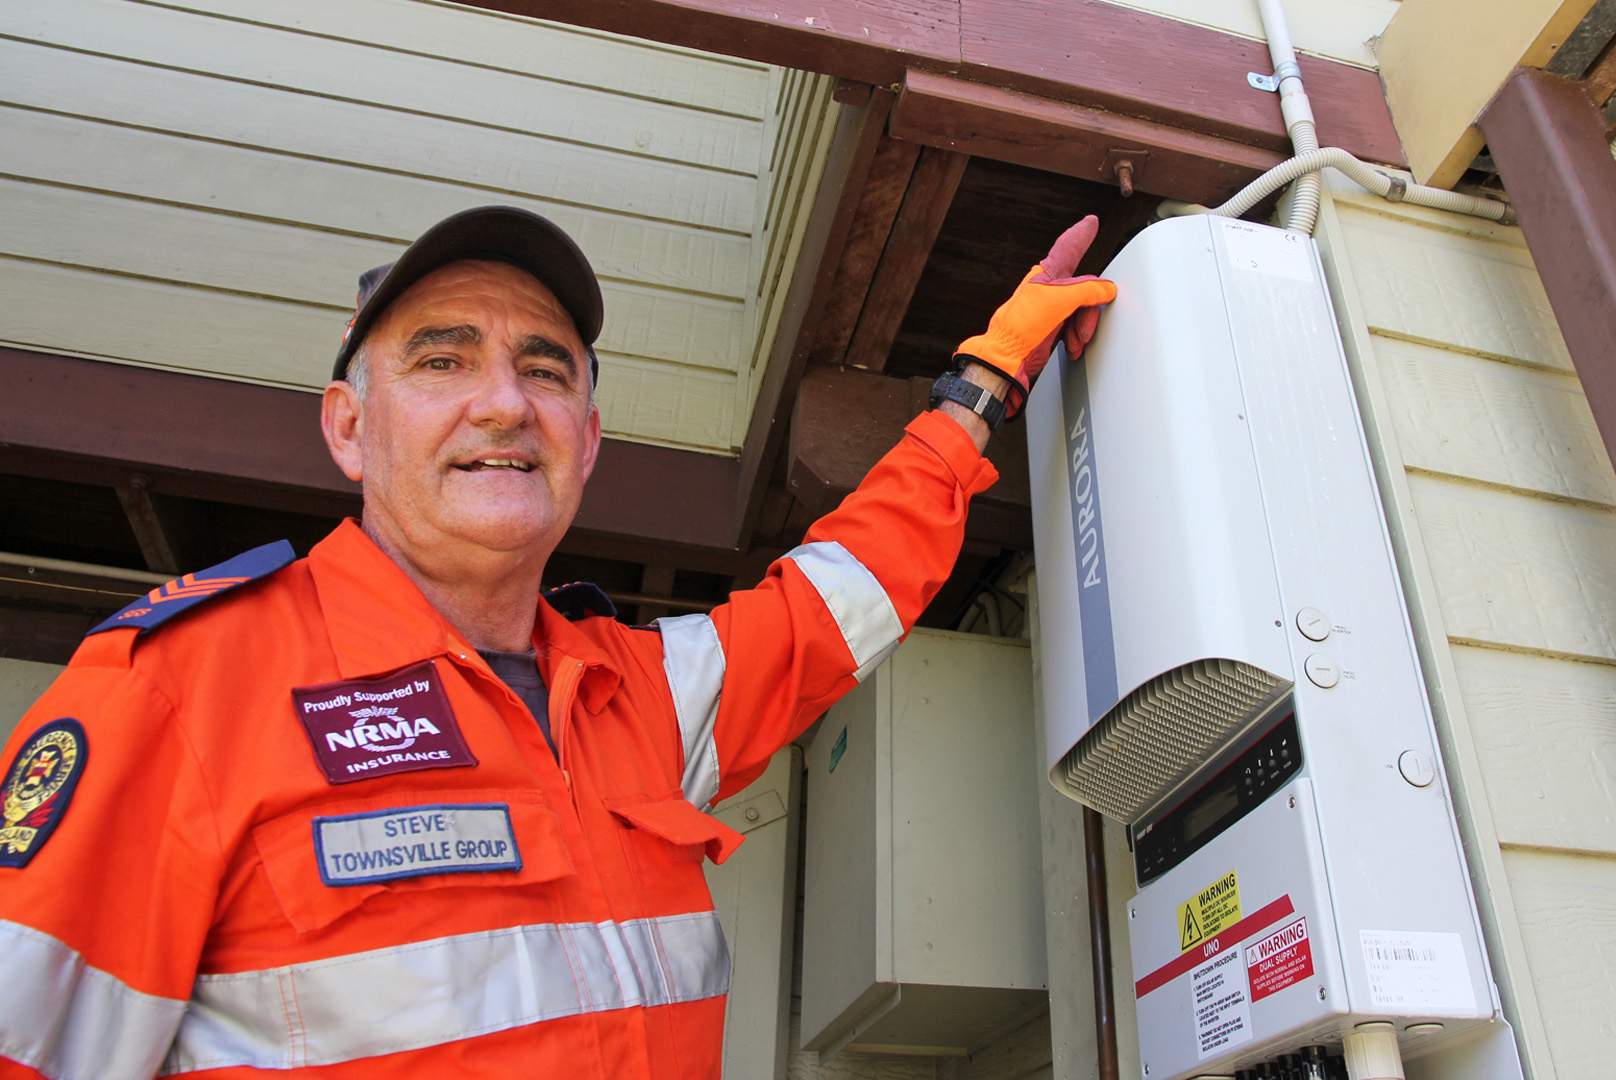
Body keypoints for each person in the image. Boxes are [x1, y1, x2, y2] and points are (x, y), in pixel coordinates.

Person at [0, 205, 1115, 1078]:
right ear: (348, 426)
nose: (502, 404)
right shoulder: (175, 695)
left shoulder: (637, 690)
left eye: (544, 368)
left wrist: (981, 384)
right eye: (440, 361)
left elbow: (838, 599)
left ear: (587, 437)